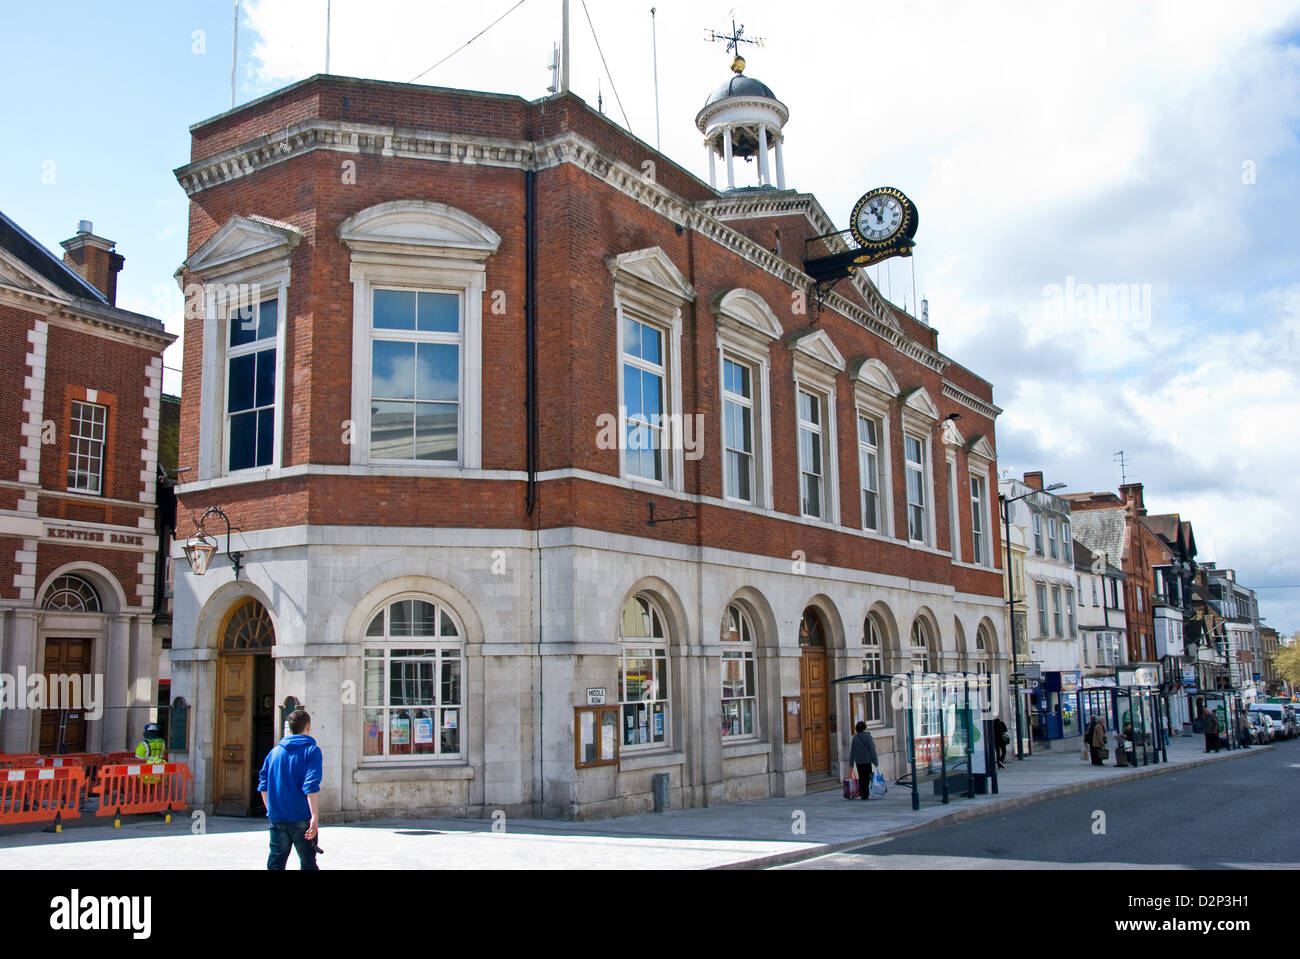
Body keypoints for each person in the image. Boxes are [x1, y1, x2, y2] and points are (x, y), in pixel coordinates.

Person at [258, 708, 323, 870]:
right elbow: (310, 785)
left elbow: (263, 784)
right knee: (308, 862)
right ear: (307, 726)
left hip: (278, 817)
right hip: (302, 817)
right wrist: (314, 817)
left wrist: (270, 810)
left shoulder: (274, 752)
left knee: (275, 863)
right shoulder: (312, 751)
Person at [849, 721, 878, 800]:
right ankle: (865, 792)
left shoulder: (855, 738)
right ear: (864, 728)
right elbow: (872, 750)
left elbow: (852, 751)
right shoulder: (868, 737)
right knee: (867, 776)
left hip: (858, 761)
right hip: (867, 760)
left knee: (861, 776)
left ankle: (862, 792)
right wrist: (875, 762)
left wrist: (851, 763)